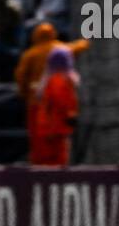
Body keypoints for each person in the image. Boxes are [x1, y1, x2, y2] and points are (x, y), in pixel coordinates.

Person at [14, 21, 89, 163]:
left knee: (38, 143)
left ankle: (42, 172)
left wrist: (24, 94)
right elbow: (75, 47)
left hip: (36, 104)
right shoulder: (60, 49)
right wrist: (86, 42)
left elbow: (21, 76)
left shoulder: (30, 54)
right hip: (56, 117)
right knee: (57, 150)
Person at [29, 45, 79, 167]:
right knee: (56, 164)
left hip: (49, 130)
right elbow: (61, 105)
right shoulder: (59, 81)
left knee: (46, 164)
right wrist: (71, 116)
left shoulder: (50, 80)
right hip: (55, 131)